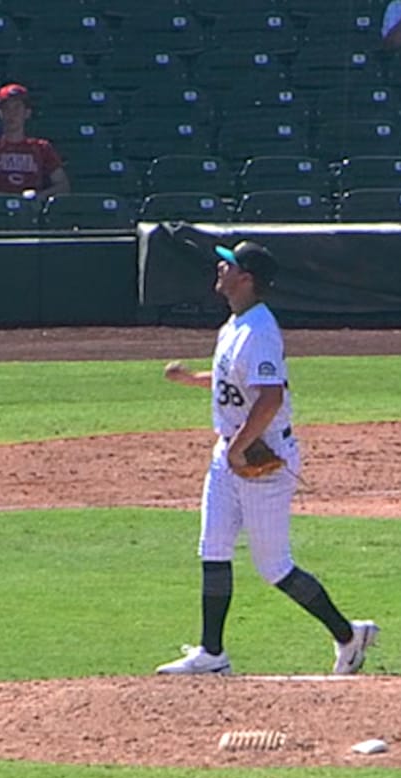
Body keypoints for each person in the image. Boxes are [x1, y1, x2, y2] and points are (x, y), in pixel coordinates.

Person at [156, 241, 380, 676]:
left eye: (231, 264)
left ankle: (347, 635)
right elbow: (232, 384)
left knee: (274, 566)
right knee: (213, 548)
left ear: (247, 279)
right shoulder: (234, 324)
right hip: (230, 451)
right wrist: (188, 380)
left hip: (262, 452)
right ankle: (212, 653)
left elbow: (271, 398)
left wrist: (239, 448)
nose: (221, 267)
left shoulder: (260, 330)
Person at [0, 83, 70, 197]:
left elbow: (62, 185)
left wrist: (38, 197)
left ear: (27, 113)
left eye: (17, 107)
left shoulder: (42, 148)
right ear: (0, 113)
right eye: (6, 108)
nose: (12, 114)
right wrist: (5, 201)